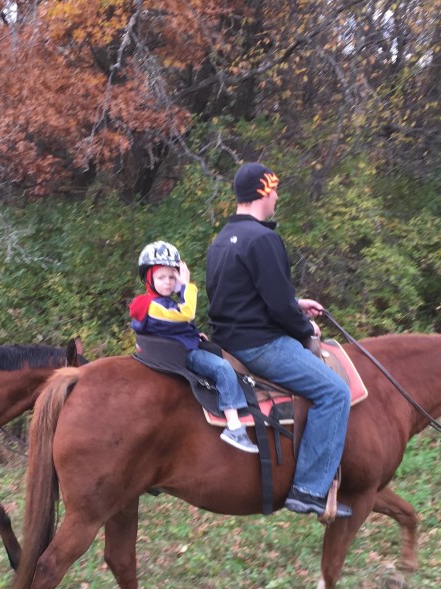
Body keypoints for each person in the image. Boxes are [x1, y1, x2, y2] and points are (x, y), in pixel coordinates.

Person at [205, 164, 352, 518]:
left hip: (228, 339)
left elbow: (243, 294)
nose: (277, 199)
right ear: (263, 192)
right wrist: (304, 329)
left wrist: (295, 304)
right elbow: (278, 307)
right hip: (261, 345)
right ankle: (309, 490)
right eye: (274, 192)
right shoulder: (264, 239)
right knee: (335, 392)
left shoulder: (222, 238)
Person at [130, 240, 258, 453]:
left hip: (175, 346)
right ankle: (234, 426)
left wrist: (192, 334)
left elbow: (172, 324)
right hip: (178, 354)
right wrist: (186, 285)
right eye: (161, 277)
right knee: (223, 368)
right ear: (148, 278)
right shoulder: (148, 304)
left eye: (173, 277)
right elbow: (185, 314)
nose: (168, 282)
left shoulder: (162, 303)